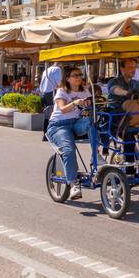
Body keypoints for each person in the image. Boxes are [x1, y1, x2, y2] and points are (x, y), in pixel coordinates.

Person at [46, 66, 94, 201]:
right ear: (67, 78)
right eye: (75, 75)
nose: (78, 77)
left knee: (95, 123)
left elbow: (91, 107)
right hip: (59, 125)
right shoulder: (62, 91)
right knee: (68, 149)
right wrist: (74, 102)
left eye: (80, 75)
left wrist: (91, 104)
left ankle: (97, 156)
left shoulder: (85, 91)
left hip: (76, 123)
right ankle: (73, 184)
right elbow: (62, 109)